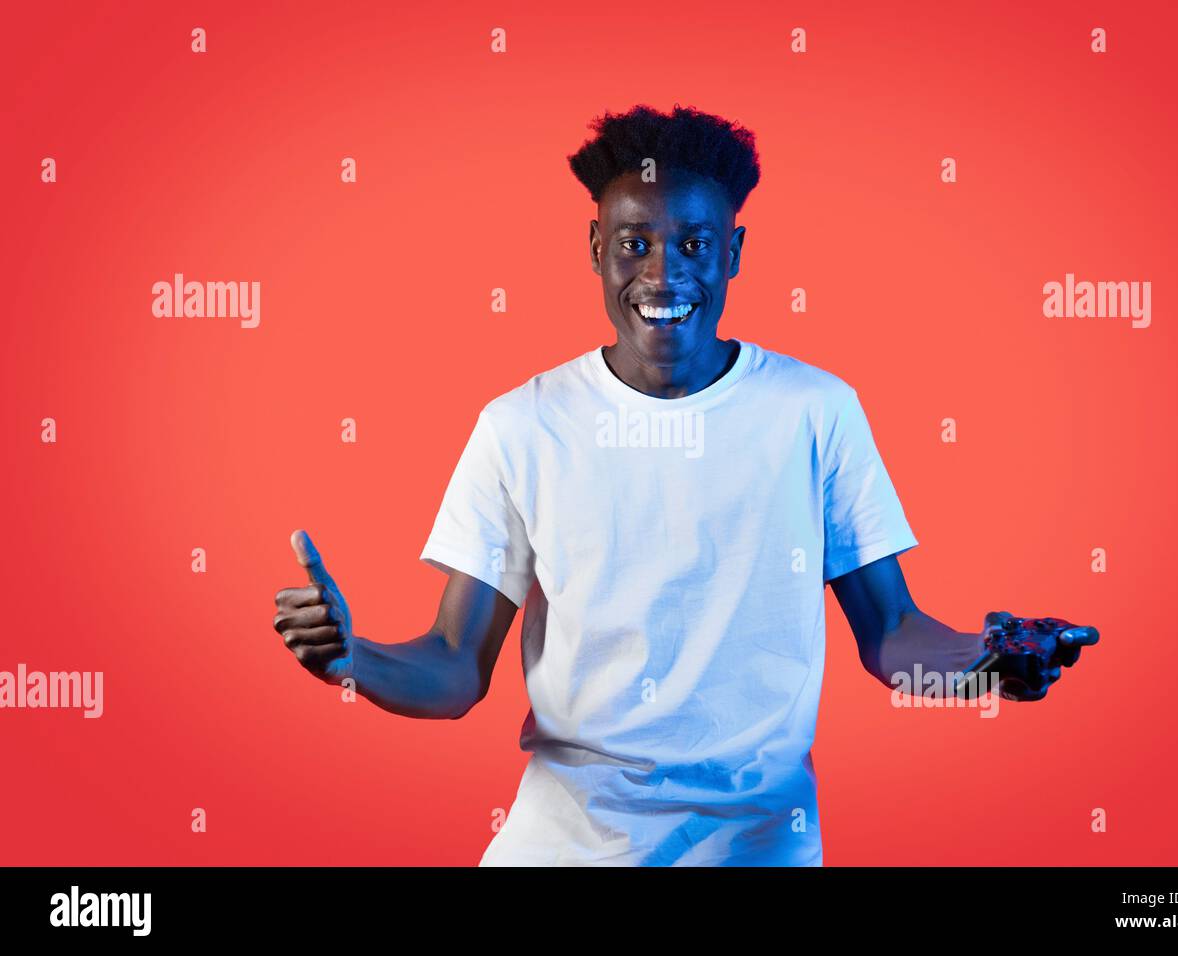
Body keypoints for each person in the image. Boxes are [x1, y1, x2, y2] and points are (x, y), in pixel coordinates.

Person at [272, 104, 1100, 866]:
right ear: (595, 250)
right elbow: (454, 671)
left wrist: (984, 662)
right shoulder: (521, 426)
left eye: (696, 244)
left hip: (758, 840)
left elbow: (892, 640)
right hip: (564, 841)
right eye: (634, 242)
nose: (664, 273)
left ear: (734, 253)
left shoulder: (814, 411)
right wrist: (356, 660)